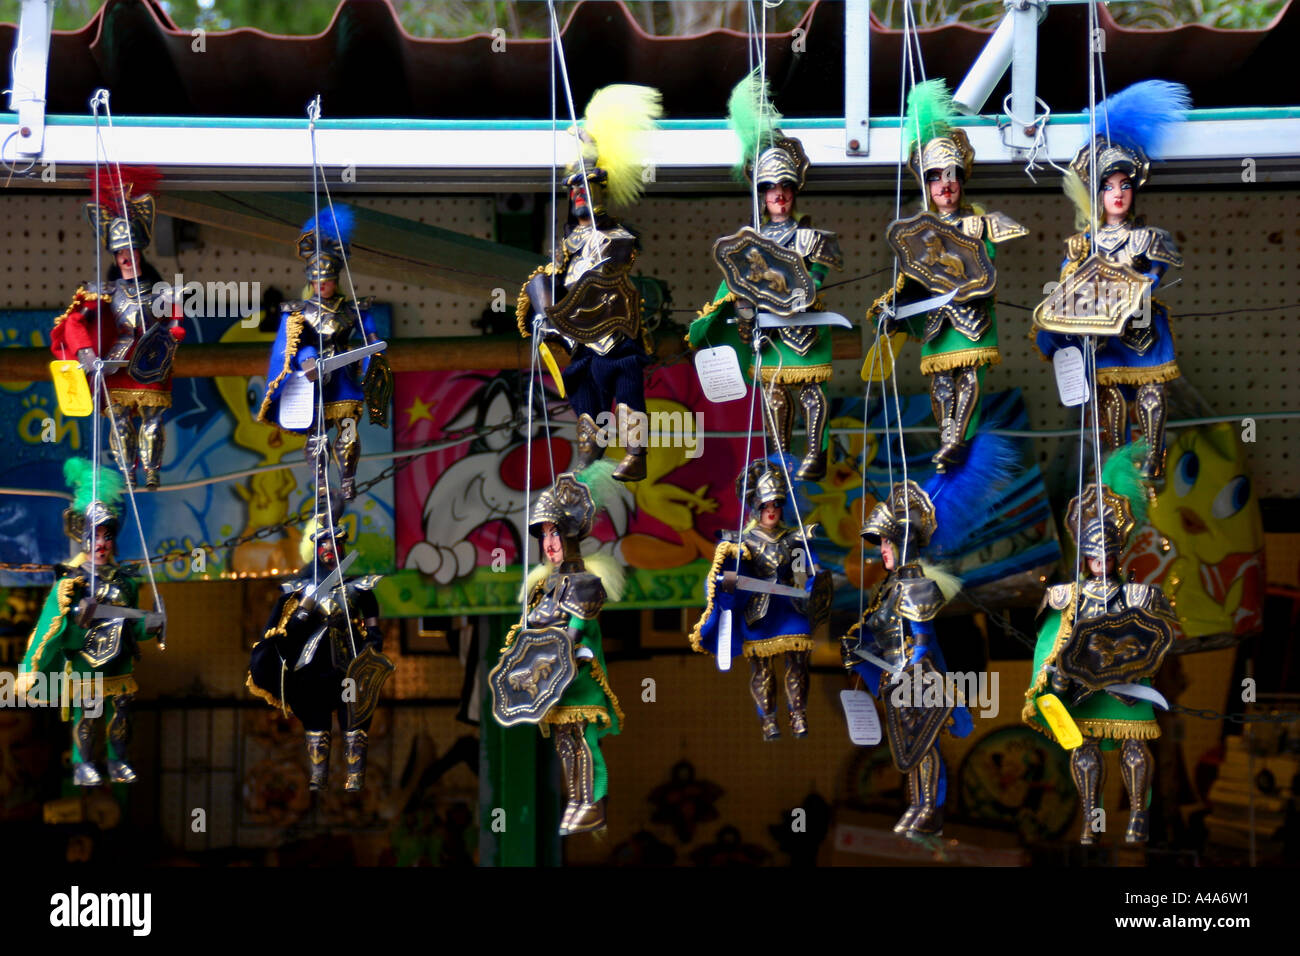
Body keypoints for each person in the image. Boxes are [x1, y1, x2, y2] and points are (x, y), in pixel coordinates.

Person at [690, 73, 844, 481]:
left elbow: (819, 275)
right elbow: (736, 285)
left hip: (805, 325)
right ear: (761, 192)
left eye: (785, 187)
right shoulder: (748, 243)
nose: (778, 194)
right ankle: (779, 458)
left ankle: (816, 453)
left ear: (795, 191)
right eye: (771, 187)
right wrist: (741, 309)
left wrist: (803, 289)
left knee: (811, 392)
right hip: (767, 331)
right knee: (774, 395)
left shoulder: (811, 236)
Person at [1034, 80, 1190, 481]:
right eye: (1108, 186)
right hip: (1100, 335)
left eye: (1124, 185)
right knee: (1110, 400)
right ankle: (1117, 467)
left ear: (1134, 189)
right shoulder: (1081, 244)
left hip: (1142, 329)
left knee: (1153, 393)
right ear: (1097, 192)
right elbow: (1069, 287)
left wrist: (1141, 286)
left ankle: (1153, 458)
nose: (1117, 194)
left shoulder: (1147, 237)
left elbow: (1156, 273)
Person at [867, 79, 1025, 472]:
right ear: (927, 183)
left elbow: (982, 265)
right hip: (938, 321)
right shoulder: (918, 234)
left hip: (972, 317)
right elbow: (913, 281)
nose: (946, 183)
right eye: (936, 175)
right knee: (941, 382)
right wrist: (893, 306)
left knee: (969, 375)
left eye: (952, 173)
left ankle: (958, 439)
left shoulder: (982, 223)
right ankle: (947, 437)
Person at [1022, 442, 1176, 844]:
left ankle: (1138, 815)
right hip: (1080, 688)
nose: (1100, 562)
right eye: (1093, 556)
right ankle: (1093, 816)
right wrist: (1048, 677)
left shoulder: (1139, 596)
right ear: (1083, 556)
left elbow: (1157, 641)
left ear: (1118, 553)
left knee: (1135, 747)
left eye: (1107, 555)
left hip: (1128, 685)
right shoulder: (1064, 596)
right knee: (1083, 748)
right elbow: (1049, 643)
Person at [517, 85, 662, 482]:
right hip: (578, 336)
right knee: (583, 395)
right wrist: (546, 313)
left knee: (626, 388)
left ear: (598, 190)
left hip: (614, 331)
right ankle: (590, 450)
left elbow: (612, 272)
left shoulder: (618, 238)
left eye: (586, 186)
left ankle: (636, 453)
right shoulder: (565, 246)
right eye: (575, 188)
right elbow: (557, 289)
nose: (580, 193)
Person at [494, 464, 625, 835]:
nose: (549, 543)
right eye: (544, 535)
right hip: (553, 685)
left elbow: (573, 635)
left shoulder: (584, 583)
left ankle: (593, 802)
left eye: (555, 533)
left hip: (576, 680)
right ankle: (579, 801)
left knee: (583, 740)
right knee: (566, 746)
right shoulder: (544, 588)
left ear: (569, 536)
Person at [18, 459, 162, 786]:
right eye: (94, 536)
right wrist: (77, 621)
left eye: (107, 536)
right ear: (82, 537)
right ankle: (84, 764)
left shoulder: (127, 581)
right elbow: (56, 626)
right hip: (85, 662)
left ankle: (117, 760)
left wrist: (150, 625)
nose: (101, 543)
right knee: (89, 715)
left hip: (120, 663)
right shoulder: (70, 582)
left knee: (122, 712)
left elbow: (132, 625)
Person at [840, 479, 970, 835]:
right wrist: (857, 649)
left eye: (886, 541)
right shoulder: (886, 587)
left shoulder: (913, 583)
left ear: (903, 541)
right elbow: (876, 633)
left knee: (923, 745)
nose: (882, 549)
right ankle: (918, 805)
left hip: (917, 678)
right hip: (895, 676)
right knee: (910, 747)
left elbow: (923, 639)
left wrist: (911, 668)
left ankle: (929, 808)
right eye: (880, 542)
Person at [50, 168, 184, 489]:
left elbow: (176, 322)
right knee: (120, 421)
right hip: (116, 362)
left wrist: (170, 337)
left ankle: (151, 471)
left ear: (140, 252)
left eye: (131, 251)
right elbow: (73, 322)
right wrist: (85, 353)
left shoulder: (161, 291)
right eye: (120, 252)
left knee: (153, 420)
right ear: (115, 255)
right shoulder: (103, 292)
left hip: (153, 361)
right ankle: (127, 472)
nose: (126, 257)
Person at [246, 506, 389, 791]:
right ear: (316, 548)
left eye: (334, 544)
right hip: (312, 656)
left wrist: (373, 641)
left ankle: (354, 775)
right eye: (323, 545)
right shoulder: (298, 588)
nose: (328, 550)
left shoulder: (358, 585)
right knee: (314, 711)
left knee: (355, 713)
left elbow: (372, 621)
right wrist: (302, 613)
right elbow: (282, 628)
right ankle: (318, 774)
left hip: (349, 653)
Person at [258, 205, 389, 502]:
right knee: (316, 436)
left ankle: (347, 479)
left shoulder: (353, 309)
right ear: (311, 281)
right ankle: (320, 483)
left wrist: (370, 365)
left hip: (343, 374)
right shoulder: (299, 311)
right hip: (314, 379)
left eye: (327, 280)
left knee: (347, 431)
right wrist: (305, 357)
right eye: (318, 281)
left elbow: (372, 341)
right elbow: (289, 346)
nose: (323, 285)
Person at [688, 459, 821, 740]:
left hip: (790, 607)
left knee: (798, 661)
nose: (771, 511)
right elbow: (725, 578)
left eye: (775, 505)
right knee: (762, 667)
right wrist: (728, 582)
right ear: (756, 507)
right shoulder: (740, 542)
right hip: (758, 611)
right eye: (765, 506)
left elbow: (801, 575)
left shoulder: (794, 540)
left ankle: (798, 713)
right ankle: (769, 719)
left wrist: (812, 583)